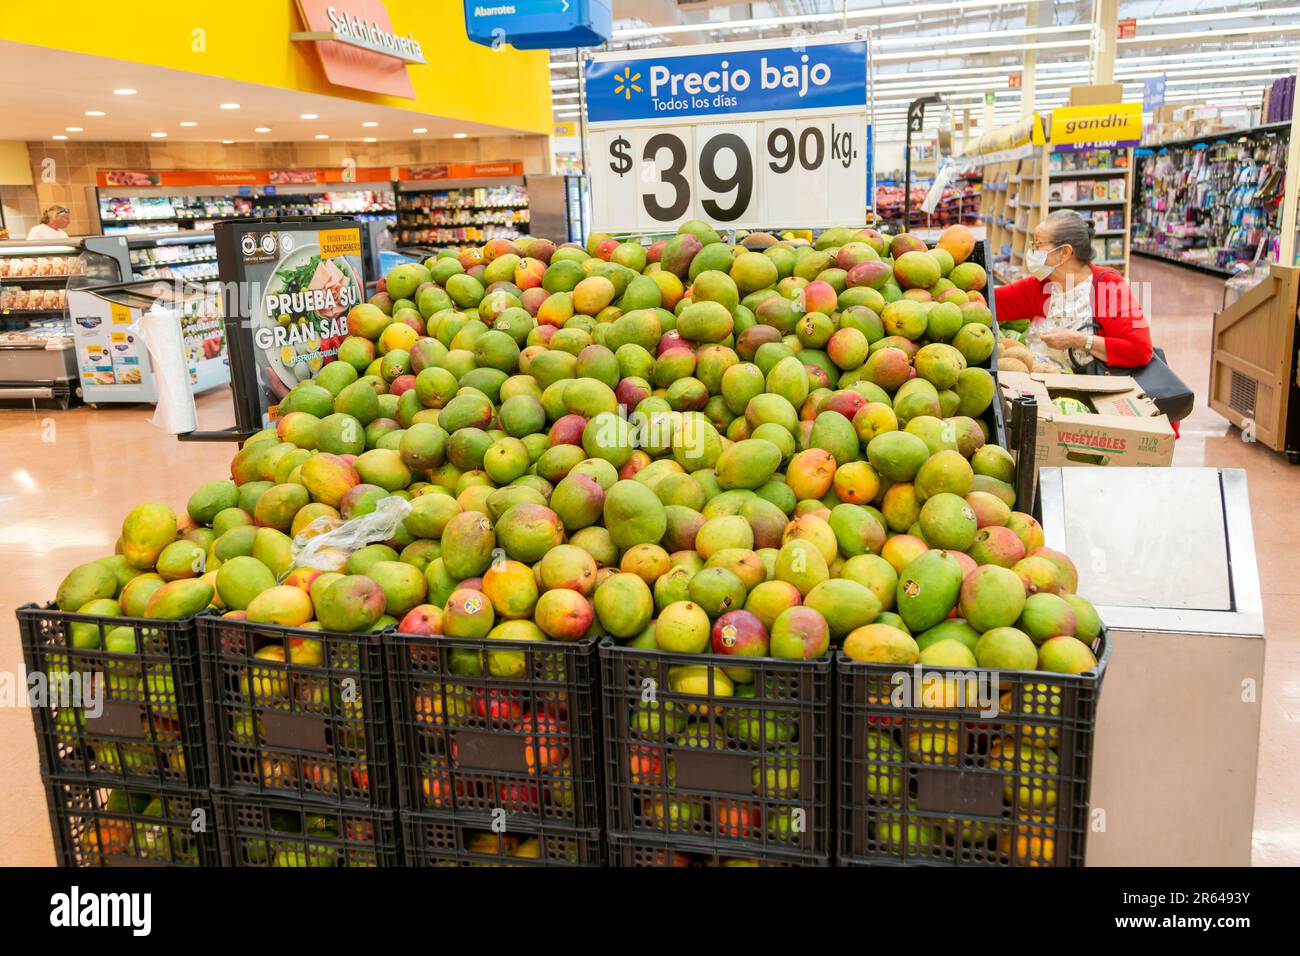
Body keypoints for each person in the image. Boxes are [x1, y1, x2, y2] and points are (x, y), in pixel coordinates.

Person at [994, 209, 1152, 371]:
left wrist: (1079, 340)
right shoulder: (1038, 286)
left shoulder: (1108, 286)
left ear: (1064, 252)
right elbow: (992, 302)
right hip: (1039, 385)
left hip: (1088, 388)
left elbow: (1140, 350)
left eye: (1038, 245)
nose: (1032, 251)